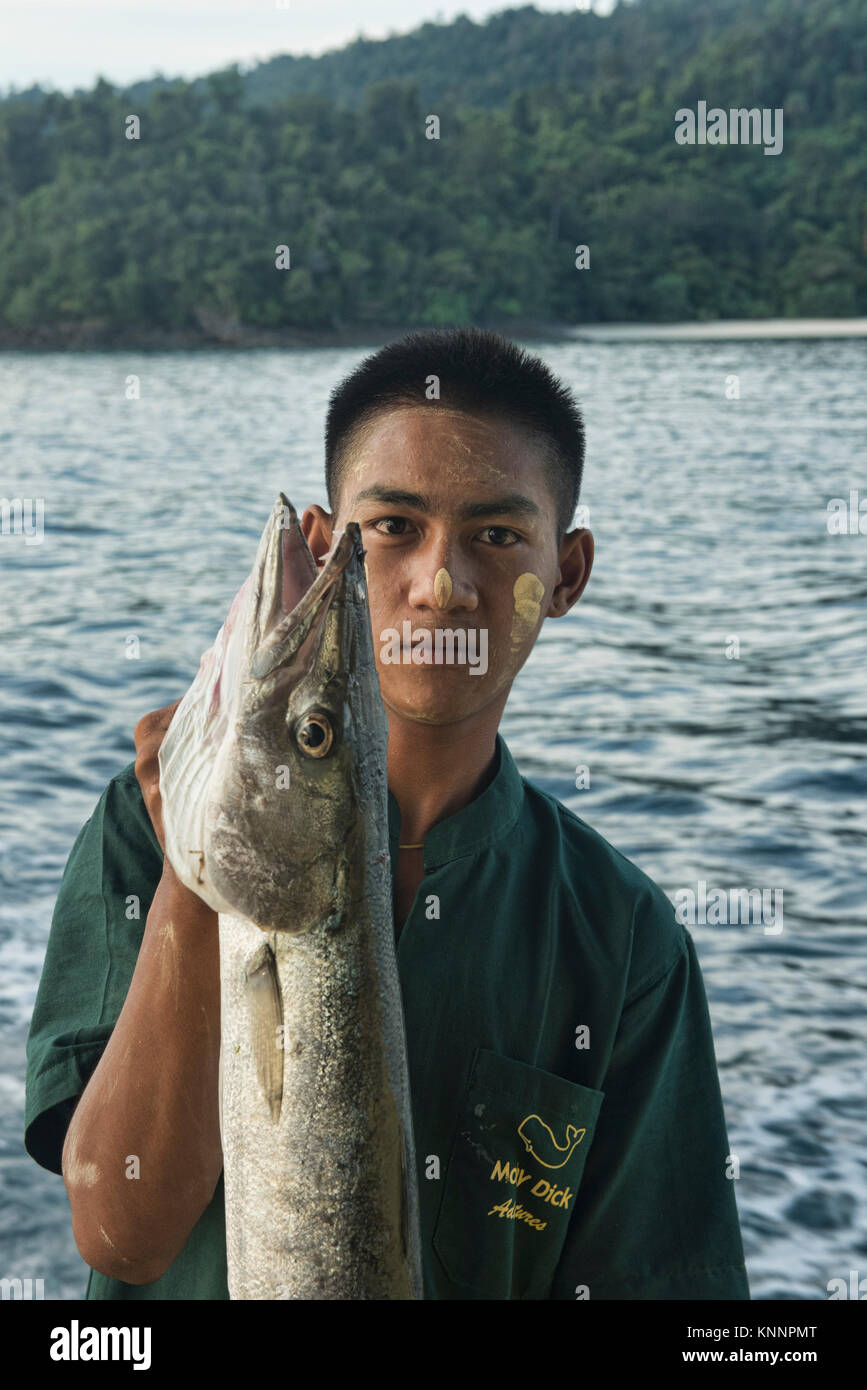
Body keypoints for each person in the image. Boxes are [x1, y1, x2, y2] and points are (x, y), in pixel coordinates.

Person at [25, 327, 750, 1300]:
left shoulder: (622, 935)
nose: (440, 584)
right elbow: (121, 1231)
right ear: (327, 545)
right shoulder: (141, 829)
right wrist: (201, 885)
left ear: (568, 570)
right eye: (392, 528)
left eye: (497, 535)